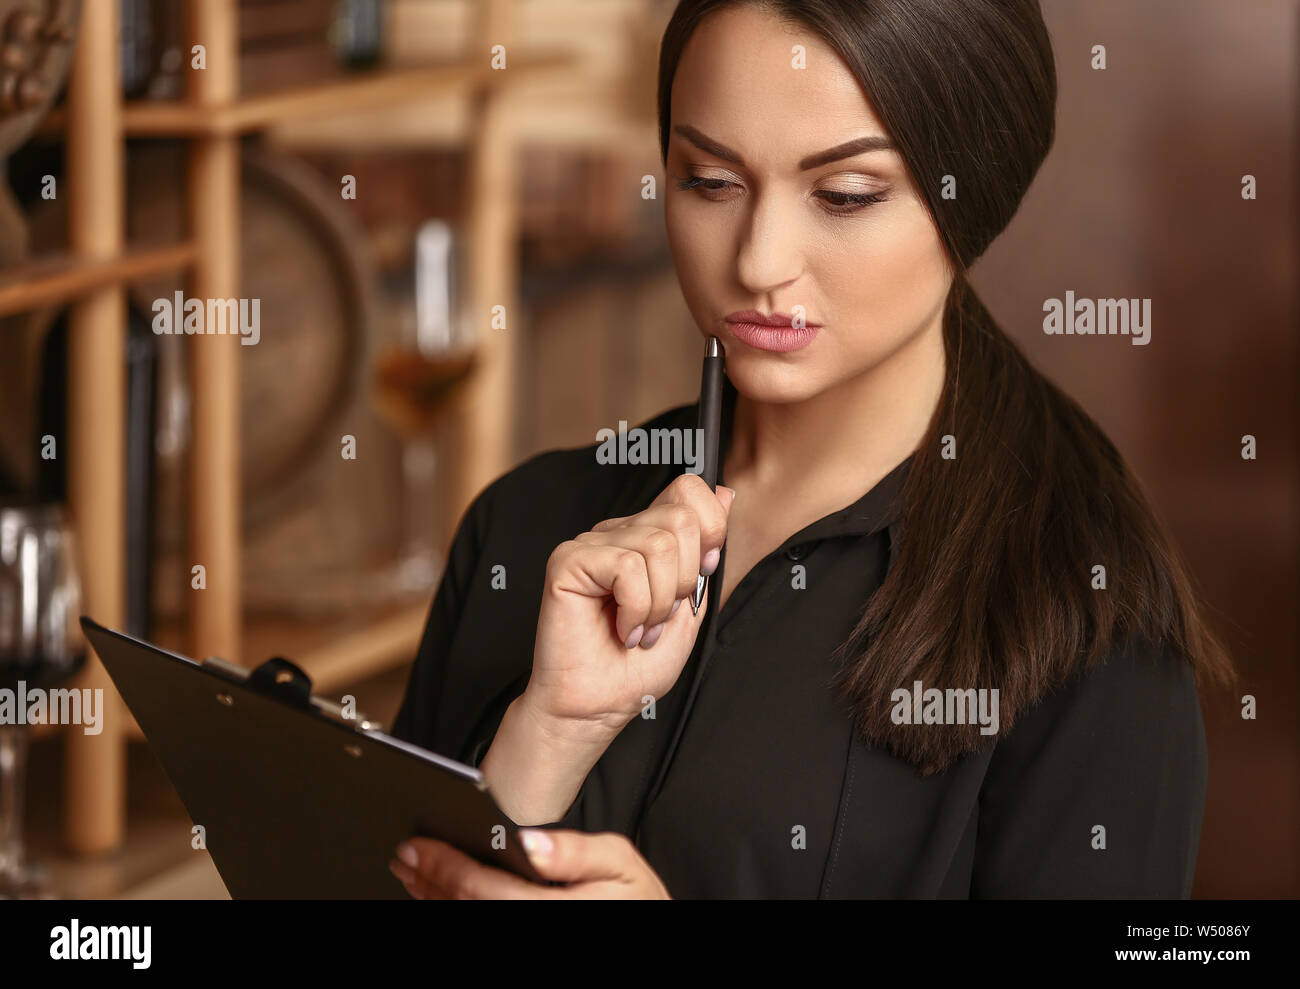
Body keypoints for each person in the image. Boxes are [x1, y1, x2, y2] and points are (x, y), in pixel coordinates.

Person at [386, 0, 1234, 899]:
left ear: (971, 196)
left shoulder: (1086, 623)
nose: (758, 261)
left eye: (845, 196)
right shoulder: (523, 532)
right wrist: (548, 733)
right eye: (711, 180)